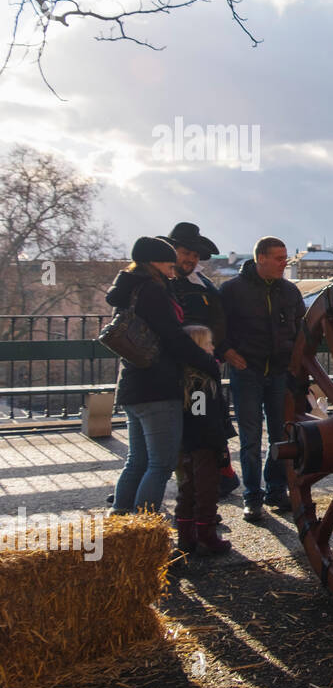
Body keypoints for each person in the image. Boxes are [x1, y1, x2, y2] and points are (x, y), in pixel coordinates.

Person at [107, 237, 223, 515]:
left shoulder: (128, 291)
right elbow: (173, 338)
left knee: (136, 460)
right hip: (158, 386)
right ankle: (144, 529)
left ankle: (120, 520)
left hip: (132, 383)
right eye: (169, 266)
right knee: (160, 464)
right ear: (153, 263)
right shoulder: (152, 291)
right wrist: (208, 362)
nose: (173, 272)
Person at [220, 236, 306, 523]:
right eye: (280, 258)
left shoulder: (290, 292)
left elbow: (301, 331)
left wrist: (295, 365)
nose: (285, 263)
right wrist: (227, 352)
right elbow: (218, 329)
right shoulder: (232, 291)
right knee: (250, 437)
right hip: (247, 372)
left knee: (281, 435)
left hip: (279, 372)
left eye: (286, 258)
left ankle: (275, 489)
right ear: (261, 259)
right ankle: (252, 497)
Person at [166, 221, 239, 499]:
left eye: (195, 255)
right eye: (186, 252)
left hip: (204, 370)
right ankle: (189, 487)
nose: (191, 259)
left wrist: (214, 349)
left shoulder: (204, 284)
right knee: (185, 430)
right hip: (176, 369)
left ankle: (214, 478)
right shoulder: (163, 283)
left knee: (206, 426)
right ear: (174, 250)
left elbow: (219, 320)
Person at [176, 325, 235, 555]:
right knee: (206, 491)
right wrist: (219, 443)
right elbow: (203, 417)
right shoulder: (201, 382)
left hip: (190, 444)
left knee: (187, 490)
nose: (213, 347)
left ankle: (186, 536)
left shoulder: (188, 379)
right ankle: (207, 537)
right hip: (204, 444)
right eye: (209, 343)